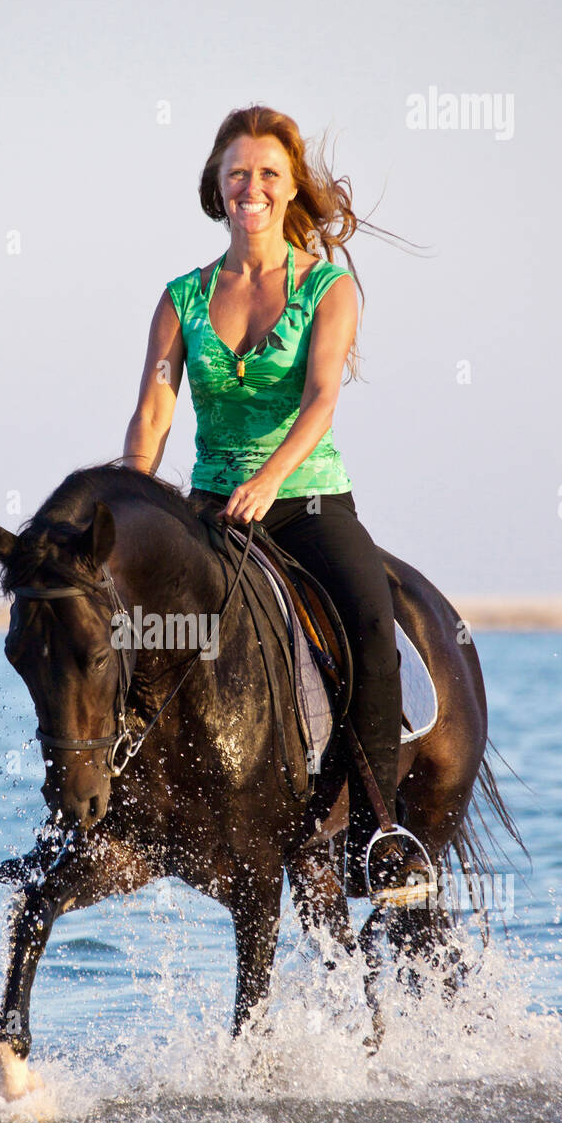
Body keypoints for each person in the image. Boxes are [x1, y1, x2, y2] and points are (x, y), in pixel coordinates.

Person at [123, 104, 430, 906]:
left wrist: (268, 481)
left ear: (291, 188)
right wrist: (129, 498)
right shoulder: (183, 297)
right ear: (216, 187)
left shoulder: (326, 288)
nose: (249, 187)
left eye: (266, 174)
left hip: (309, 501)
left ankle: (379, 832)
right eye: (236, 174)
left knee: (369, 624)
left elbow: (322, 400)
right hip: (211, 509)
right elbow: (155, 410)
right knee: (131, 626)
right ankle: (117, 802)